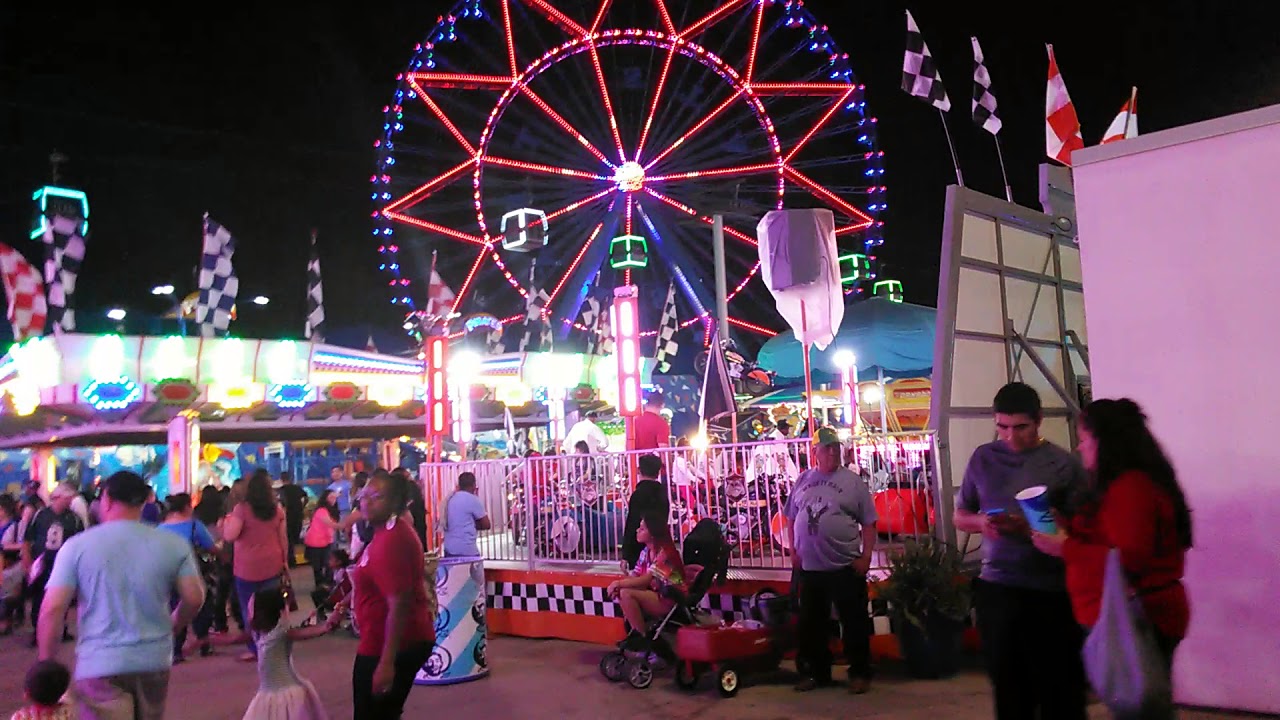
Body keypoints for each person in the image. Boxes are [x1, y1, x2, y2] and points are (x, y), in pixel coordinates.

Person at [1031, 399, 1193, 704]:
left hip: (1139, 615)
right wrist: (1064, 526)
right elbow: (1106, 536)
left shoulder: (1131, 487)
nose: (1080, 449)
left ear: (1106, 443)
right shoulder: (1122, 484)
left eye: (1084, 441)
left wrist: (1065, 547)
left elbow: (1128, 557)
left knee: (1141, 707)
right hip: (1131, 612)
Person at [954, 382, 1088, 720]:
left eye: (1020, 428)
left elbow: (1083, 528)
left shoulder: (1062, 464)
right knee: (1008, 684)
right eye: (1002, 427)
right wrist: (982, 522)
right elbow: (960, 515)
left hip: (1050, 589)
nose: (1011, 437)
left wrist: (1041, 526)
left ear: (1039, 420)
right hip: (997, 586)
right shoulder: (984, 458)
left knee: (1057, 686)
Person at [35, 471, 205, 720]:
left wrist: (46, 664)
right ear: (145, 501)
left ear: (106, 499)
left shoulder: (77, 547)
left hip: (99, 663)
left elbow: (52, 609)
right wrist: (175, 623)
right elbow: (194, 597)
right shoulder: (172, 544)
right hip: (154, 658)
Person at [784, 426, 878, 694]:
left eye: (836, 447)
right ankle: (816, 673)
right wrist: (793, 550)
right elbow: (791, 516)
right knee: (811, 625)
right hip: (811, 568)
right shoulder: (803, 480)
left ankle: (860, 673)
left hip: (844, 566)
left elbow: (869, 522)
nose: (833, 452)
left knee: (854, 622)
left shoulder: (853, 482)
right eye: (827, 448)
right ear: (815, 452)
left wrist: (866, 557)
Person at [347, 469, 433, 719]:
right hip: (381, 639)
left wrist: (386, 662)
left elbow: (399, 603)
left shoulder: (392, 540)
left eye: (377, 496)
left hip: (389, 644)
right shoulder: (383, 532)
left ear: (394, 503)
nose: (367, 501)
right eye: (365, 494)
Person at [239, 586, 337, 720]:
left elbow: (307, 632)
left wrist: (328, 625)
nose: (249, 615)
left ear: (264, 613)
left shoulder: (282, 632)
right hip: (267, 691)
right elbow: (234, 638)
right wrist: (208, 638)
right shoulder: (258, 634)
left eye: (252, 611)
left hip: (287, 692)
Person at [223, 468, 289, 662]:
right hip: (272, 564)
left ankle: (256, 649)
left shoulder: (241, 509)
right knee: (272, 608)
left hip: (246, 568)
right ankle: (274, 647)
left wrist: (226, 524)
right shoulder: (277, 510)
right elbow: (283, 539)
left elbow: (230, 535)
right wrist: (284, 561)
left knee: (249, 609)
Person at [607, 513, 686, 645]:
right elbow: (636, 576)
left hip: (671, 598)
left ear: (653, 534)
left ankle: (643, 637)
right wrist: (620, 586)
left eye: (642, 529)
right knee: (622, 592)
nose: (637, 530)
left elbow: (645, 580)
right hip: (656, 594)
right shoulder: (646, 551)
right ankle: (638, 632)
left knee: (626, 594)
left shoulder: (665, 553)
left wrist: (618, 583)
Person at [158, 493, 218, 661]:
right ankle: (204, 643)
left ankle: (176, 649)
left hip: (169, 573)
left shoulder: (160, 529)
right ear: (186, 507)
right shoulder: (194, 526)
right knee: (201, 607)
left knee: (175, 607)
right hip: (194, 572)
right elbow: (211, 547)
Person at [23, 482, 84, 647]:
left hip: (63, 565)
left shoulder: (74, 519)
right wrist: (27, 562)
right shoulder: (40, 515)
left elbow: (79, 542)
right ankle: (38, 632)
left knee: (61, 598)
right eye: (68, 498)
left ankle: (59, 629)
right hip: (42, 563)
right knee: (39, 599)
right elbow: (28, 539)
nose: (70, 502)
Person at [621, 454, 670, 571]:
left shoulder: (638, 495)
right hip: (659, 545)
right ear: (657, 472)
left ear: (639, 470)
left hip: (637, 549)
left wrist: (626, 555)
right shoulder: (662, 494)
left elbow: (632, 524)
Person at [441, 472, 491, 557]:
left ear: (459, 485)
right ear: (474, 485)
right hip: (467, 550)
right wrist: (472, 523)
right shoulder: (473, 499)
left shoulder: (449, 499)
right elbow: (486, 524)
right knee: (475, 570)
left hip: (449, 550)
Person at [303, 490, 341, 590]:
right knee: (318, 566)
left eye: (335, 498)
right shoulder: (321, 510)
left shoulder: (331, 510)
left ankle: (326, 584)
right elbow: (330, 524)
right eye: (331, 497)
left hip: (326, 541)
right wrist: (345, 524)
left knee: (328, 564)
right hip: (315, 542)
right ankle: (321, 586)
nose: (334, 500)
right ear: (325, 498)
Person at [277, 472, 308, 568]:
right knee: (295, 538)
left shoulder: (281, 490)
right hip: (298, 515)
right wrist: (302, 506)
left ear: (281, 479)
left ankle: (290, 560)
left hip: (287, 517)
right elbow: (306, 497)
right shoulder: (297, 488)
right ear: (291, 478)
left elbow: (280, 502)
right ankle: (295, 558)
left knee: (288, 538)